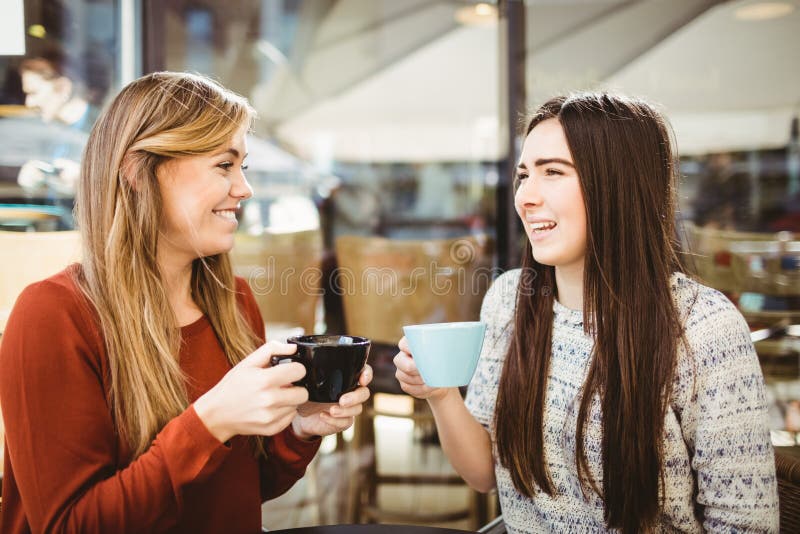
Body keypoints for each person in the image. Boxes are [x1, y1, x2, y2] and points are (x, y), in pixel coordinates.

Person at [0, 71, 372, 533]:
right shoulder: (53, 316)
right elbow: (70, 526)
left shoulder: (233, 301)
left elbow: (240, 486)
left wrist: (301, 429)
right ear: (138, 171)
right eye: (223, 165)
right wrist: (210, 421)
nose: (244, 188)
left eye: (244, 167)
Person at [394, 93, 779, 533]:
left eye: (553, 172)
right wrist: (440, 394)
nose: (526, 197)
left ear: (616, 183)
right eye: (524, 175)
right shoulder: (508, 301)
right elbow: (483, 472)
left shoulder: (704, 328)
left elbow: (746, 525)